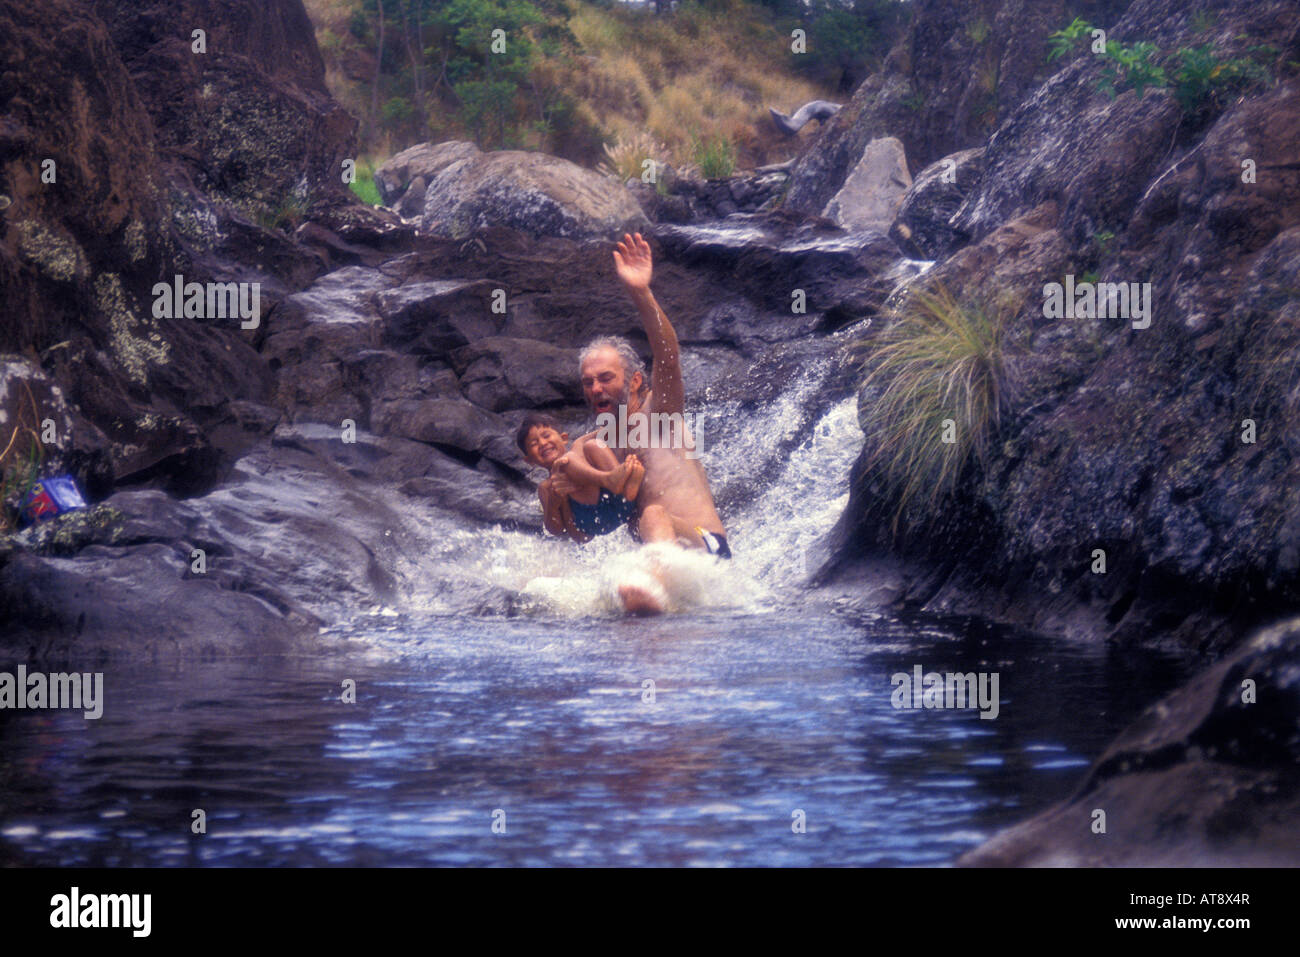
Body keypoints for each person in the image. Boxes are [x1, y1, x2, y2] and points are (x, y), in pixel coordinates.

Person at [575, 233, 730, 611]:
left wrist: (641, 293)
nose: (596, 387)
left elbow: (668, 356)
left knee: (654, 514)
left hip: (707, 550)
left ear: (635, 381)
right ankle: (648, 592)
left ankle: (651, 587)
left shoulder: (660, 416)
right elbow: (572, 520)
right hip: (662, 559)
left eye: (606, 378)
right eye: (588, 381)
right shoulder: (600, 442)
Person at [516, 412, 644, 544]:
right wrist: (556, 503)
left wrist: (633, 415)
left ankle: (621, 482)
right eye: (533, 444)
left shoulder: (578, 446)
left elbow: (613, 429)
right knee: (565, 465)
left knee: (592, 445)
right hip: (586, 525)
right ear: (529, 460)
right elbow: (555, 530)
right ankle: (617, 479)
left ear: (564, 438)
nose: (542, 443)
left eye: (546, 436)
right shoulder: (546, 488)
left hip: (619, 499)